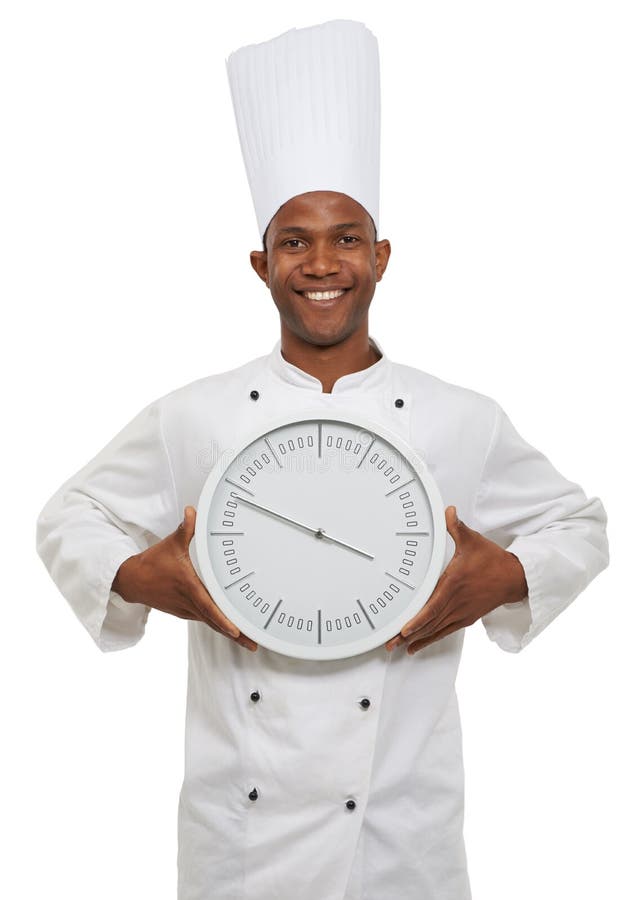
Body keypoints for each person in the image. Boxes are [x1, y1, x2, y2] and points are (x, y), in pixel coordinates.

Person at [35, 19, 609, 900]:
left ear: (380, 257)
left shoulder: (462, 417)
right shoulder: (197, 413)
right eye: (294, 241)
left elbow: (578, 523)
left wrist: (504, 577)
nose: (322, 262)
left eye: (346, 237)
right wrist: (146, 576)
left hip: (400, 832)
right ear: (260, 264)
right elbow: (69, 517)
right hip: (242, 841)